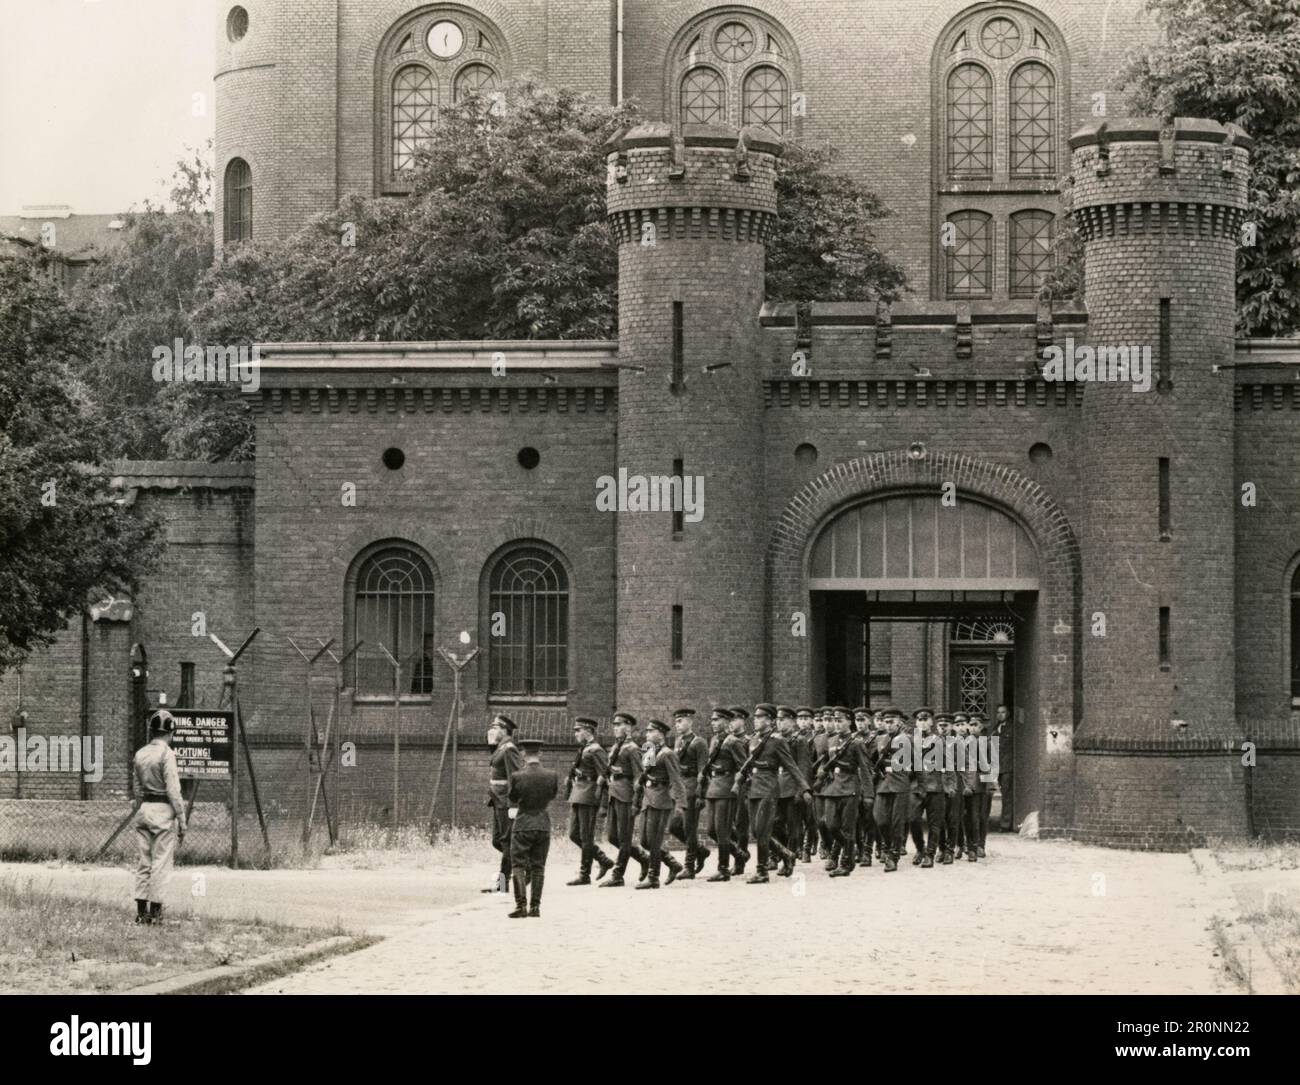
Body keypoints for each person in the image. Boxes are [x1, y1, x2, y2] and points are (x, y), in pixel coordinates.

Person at [734, 704, 811, 882]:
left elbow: (792, 766)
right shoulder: (753, 740)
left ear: (770, 720)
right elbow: (748, 764)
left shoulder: (777, 740)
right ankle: (786, 854)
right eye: (755, 717)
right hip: (753, 788)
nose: (756, 720)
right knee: (755, 830)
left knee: (762, 829)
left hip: (769, 788)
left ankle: (762, 871)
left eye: (760, 717)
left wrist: (804, 788)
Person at [131, 709, 188, 925]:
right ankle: (155, 913)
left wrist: (140, 808)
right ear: (170, 733)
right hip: (163, 810)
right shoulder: (167, 754)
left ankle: (140, 911)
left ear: (152, 731)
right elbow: (173, 790)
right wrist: (181, 819)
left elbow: (136, 788)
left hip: (144, 809)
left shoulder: (140, 753)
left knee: (144, 862)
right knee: (161, 862)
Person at [817, 706, 873, 877]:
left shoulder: (856, 743)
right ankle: (850, 847)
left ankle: (846, 864)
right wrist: (821, 771)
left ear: (849, 722)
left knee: (847, 828)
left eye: (840, 720)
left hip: (849, 787)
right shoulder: (831, 741)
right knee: (831, 825)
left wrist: (868, 794)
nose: (837, 724)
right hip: (832, 787)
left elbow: (864, 769)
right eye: (835, 720)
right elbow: (825, 761)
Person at [507, 739, 558, 918]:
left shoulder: (517, 776)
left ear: (522, 754)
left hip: (522, 824)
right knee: (539, 867)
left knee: (518, 865)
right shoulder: (551, 775)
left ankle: (521, 906)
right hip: (543, 824)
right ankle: (535, 907)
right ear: (540, 754)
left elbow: (512, 797)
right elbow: (552, 795)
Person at [599, 711, 650, 887]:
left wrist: (637, 802)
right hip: (615, 793)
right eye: (614, 725)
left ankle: (618, 874)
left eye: (619, 725)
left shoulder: (632, 749)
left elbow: (639, 777)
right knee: (613, 836)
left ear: (628, 728)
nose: (615, 728)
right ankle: (644, 858)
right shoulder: (616, 747)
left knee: (624, 838)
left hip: (626, 796)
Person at [637, 719, 687, 888]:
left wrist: (681, 804)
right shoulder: (651, 751)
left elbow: (676, 779)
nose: (647, 734)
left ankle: (653, 878)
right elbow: (645, 774)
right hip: (648, 799)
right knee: (644, 841)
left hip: (661, 799)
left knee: (654, 840)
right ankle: (672, 863)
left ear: (660, 734)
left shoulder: (667, 753)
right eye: (647, 732)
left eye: (651, 731)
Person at [701, 707, 749, 881]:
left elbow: (744, 767)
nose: (714, 723)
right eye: (712, 720)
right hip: (713, 787)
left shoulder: (732, 742)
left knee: (722, 831)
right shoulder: (714, 740)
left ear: (727, 723)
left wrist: (737, 785)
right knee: (711, 830)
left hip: (727, 789)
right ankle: (739, 853)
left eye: (717, 720)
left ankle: (723, 869)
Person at [565, 717, 614, 885]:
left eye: (579, 730)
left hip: (589, 794)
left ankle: (584, 874)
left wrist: (603, 803)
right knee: (573, 834)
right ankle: (603, 859)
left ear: (589, 731)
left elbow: (605, 776)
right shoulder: (584, 749)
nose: (576, 733)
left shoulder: (596, 750)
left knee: (586, 836)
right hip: (578, 792)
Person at [483, 713, 524, 895]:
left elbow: (515, 778)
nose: (492, 730)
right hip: (497, 800)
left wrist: (514, 805)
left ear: (504, 729)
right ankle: (524, 865)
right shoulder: (500, 747)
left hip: (506, 802)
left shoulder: (509, 749)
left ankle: (504, 883)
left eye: (495, 727)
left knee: (507, 842)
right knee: (498, 841)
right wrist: (492, 743)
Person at [669, 708, 710, 878]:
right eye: (676, 721)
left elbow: (703, 770)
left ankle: (689, 867)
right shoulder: (678, 741)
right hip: (680, 789)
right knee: (674, 826)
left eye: (681, 721)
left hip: (693, 788)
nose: (677, 724)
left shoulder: (698, 742)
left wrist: (701, 794)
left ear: (690, 722)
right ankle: (700, 851)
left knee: (689, 828)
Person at [872, 707, 911, 872]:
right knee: (880, 820)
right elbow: (871, 761)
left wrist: (918, 784)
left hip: (900, 785)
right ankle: (887, 847)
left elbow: (916, 764)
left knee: (896, 822)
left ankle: (893, 855)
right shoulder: (880, 740)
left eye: (891, 722)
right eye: (885, 722)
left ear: (899, 723)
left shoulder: (908, 739)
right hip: (883, 785)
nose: (888, 725)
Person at [727, 706, 753, 875]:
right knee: (728, 823)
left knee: (741, 823)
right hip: (726, 786)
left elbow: (747, 766)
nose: (731, 723)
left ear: (743, 721)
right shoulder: (724, 740)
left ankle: (739, 861)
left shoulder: (748, 741)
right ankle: (741, 853)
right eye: (729, 720)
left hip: (742, 786)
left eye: (735, 719)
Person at [794, 707, 819, 862]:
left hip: (811, 781)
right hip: (796, 781)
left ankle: (807, 848)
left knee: (809, 817)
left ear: (811, 721)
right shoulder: (794, 737)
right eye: (800, 718)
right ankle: (799, 846)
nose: (803, 721)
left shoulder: (816, 738)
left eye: (806, 718)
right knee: (796, 816)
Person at [993, 704, 1015, 832]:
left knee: (1007, 795)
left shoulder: (1011, 728)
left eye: (1003, 712)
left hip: (1007, 766)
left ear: (1008, 713)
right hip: (998, 766)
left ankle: (1006, 824)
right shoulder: (997, 727)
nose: (1000, 714)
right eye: (998, 712)